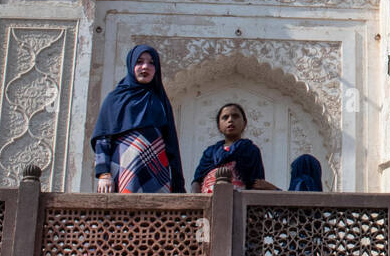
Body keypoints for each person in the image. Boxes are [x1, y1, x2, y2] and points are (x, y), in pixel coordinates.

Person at [92, 44, 185, 194]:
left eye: (151, 63)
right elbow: (103, 138)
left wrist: (178, 183)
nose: (145, 67)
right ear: (131, 65)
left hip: (157, 175)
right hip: (124, 171)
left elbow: (171, 144)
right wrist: (104, 173)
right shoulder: (115, 99)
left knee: (156, 214)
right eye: (139, 62)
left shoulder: (160, 101)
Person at [191, 103, 278, 193]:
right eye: (225, 117)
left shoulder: (251, 150)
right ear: (219, 126)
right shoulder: (210, 152)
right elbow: (197, 181)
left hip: (239, 202)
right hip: (208, 201)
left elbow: (258, 184)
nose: (230, 120)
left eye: (235, 116)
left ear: (244, 123)